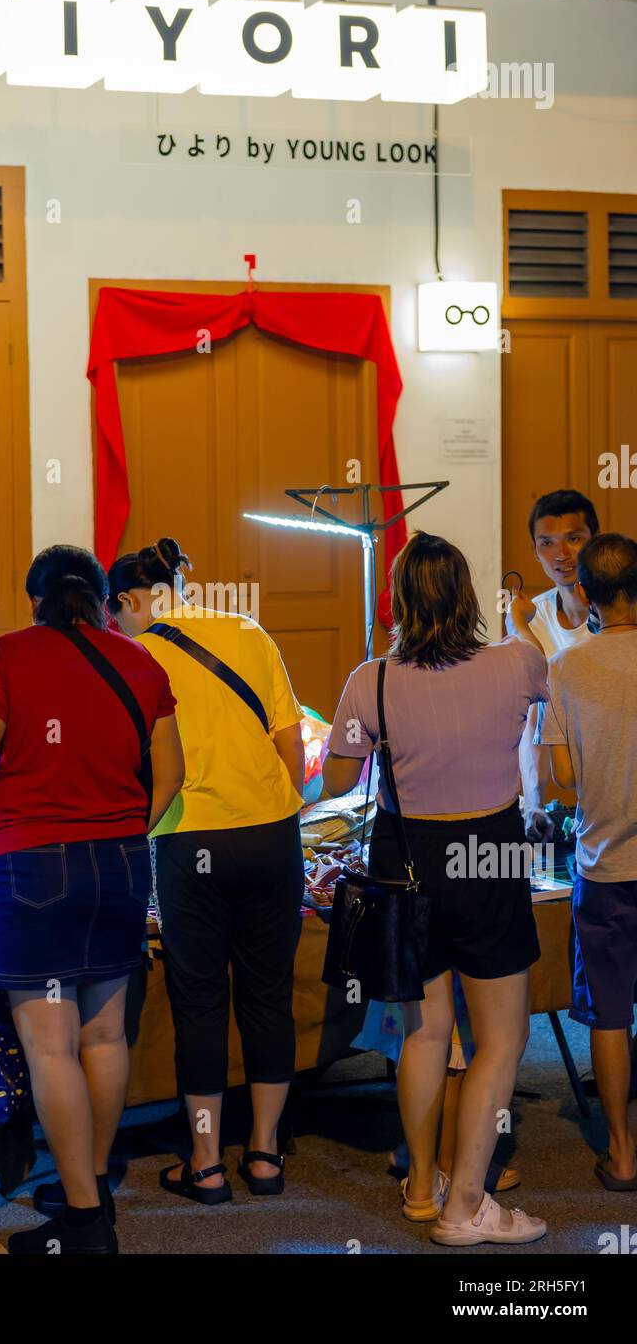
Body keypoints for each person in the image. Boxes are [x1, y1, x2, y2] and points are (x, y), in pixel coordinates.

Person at [0, 545, 184, 1256]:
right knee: (104, 1036)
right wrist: (120, 830)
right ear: (104, 600)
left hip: (35, 863)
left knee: (50, 1047)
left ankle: (84, 1219)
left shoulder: (10, 654)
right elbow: (172, 774)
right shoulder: (140, 662)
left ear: (34, 601)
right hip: (119, 862)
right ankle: (93, 1185)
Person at [323, 532, 548, 1246]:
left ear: (396, 601)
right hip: (490, 853)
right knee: (502, 1037)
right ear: (467, 595)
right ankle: (467, 1205)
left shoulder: (371, 679)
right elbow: (547, 688)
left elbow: (335, 780)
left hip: (407, 855)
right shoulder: (518, 661)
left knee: (424, 1034)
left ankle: (421, 1188)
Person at [108, 538, 306, 1202]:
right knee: (268, 995)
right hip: (273, 836)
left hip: (192, 844)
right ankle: (266, 1155)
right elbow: (290, 743)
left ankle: (206, 1163)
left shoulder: (136, 657)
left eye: (117, 615)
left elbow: (135, 766)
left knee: (199, 1000)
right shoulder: (249, 631)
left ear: (131, 601)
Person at [538, 533, 637, 1191]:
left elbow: (565, 779)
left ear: (584, 594)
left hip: (604, 869)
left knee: (609, 1012)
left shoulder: (567, 668)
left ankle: (623, 1154)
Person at [506, 489, 599, 842]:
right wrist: (533, 803)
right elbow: (533, 718)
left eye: (573, 539)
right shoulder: (534, 619)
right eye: (546, 543)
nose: (560, 555)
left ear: (595, 540)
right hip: (573, 779)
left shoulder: (623, 612)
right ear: (534, 549)